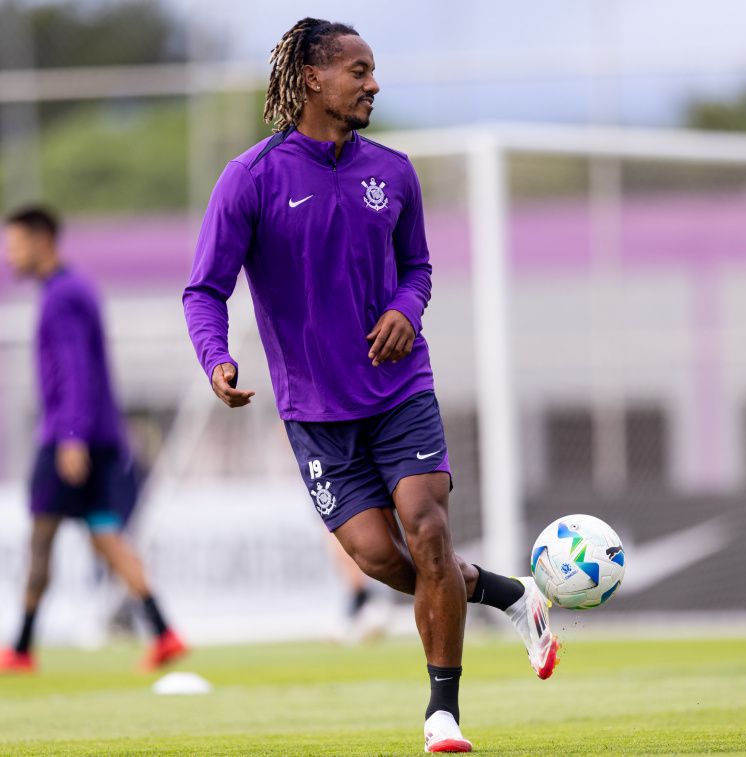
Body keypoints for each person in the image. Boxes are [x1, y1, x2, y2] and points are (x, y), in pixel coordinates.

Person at [183, 18, 558, 753]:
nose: (373, 84)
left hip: (398, 390)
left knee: (427, 529)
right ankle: (511, 594)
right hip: (314, 411)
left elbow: (418, 268)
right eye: (358, 71)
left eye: (372, 70)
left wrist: (401, 310)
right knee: (383, 558)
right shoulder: (251, 179)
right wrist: (215, 358)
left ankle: (441, 713)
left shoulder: (392, 171)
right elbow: (205, 289)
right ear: (313, 78)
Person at [1, 206, 187, 674]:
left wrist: (70, 437)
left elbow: (76, 372)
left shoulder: (61, 295)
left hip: (70, 436)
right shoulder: (75, 288)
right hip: (100, 436)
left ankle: (20, 648)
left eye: (15, 244)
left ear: (42, 241)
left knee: (41, 537)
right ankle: (163, 632)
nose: (9, 254)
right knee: (104, 532)